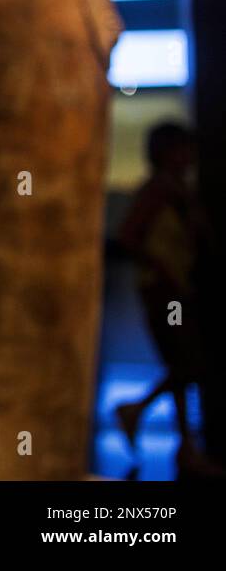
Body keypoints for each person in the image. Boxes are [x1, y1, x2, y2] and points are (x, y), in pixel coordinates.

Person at [116, 121, 217, 475]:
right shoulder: (158, 191)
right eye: (182, 149)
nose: (188, 156)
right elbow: (129, 235)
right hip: (164, 291)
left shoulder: (177, 191)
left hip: (175, 288)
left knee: (184, 361)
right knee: (188, 361)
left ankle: (182, 444)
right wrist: (160, 266)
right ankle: (145, 415)